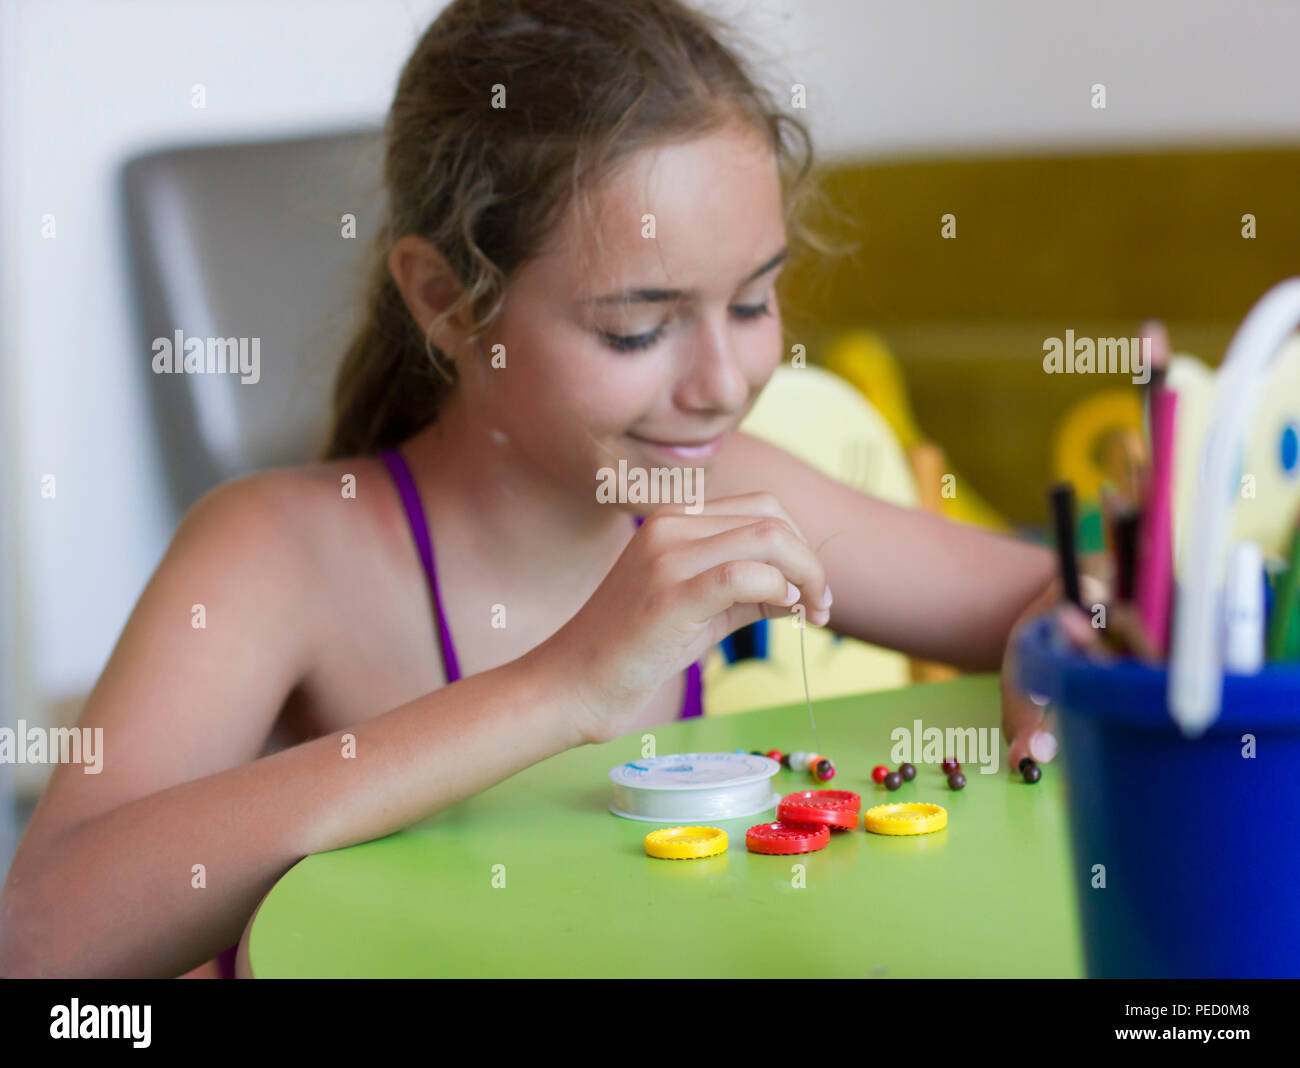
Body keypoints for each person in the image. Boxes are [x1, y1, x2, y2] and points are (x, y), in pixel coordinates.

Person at [0, 0, 1061, 978]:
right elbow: (43, 938)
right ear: (447, 301)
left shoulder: (730, 488)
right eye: (636, 328)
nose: (724, 383)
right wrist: (561, 688)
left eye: (752, 301)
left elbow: (1073, 590)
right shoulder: (277, 553)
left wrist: (1065, 642)